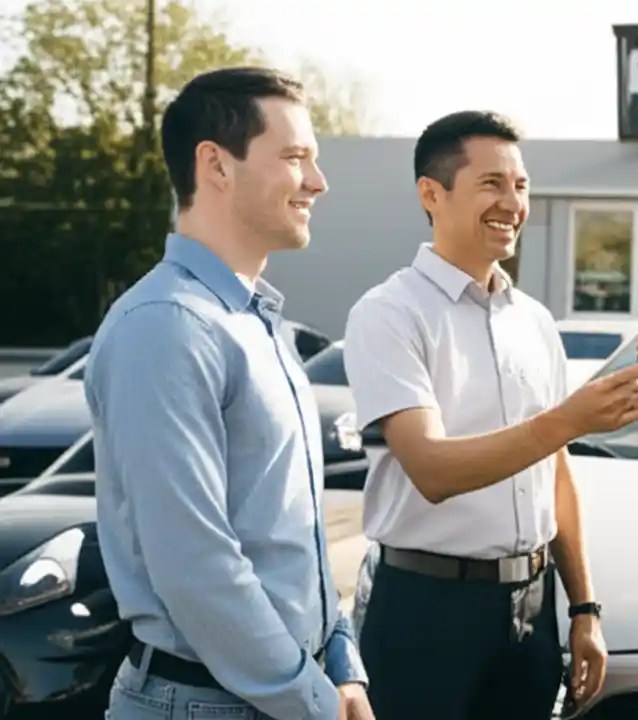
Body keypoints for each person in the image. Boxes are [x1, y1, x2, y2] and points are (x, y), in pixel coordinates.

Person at [342, 110, 638, 720]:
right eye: (492, 184)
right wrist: (569, 419)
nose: (512, 203)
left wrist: (584, 610)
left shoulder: (534, 321)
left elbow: (555, 472)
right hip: (424, 611)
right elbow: (431, 470)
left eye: (521, 186)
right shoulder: (389, 314)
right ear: (431, 195)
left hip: (532, 612)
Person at [84, 67, 372, 720]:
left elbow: (295, 538)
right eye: (296, 158)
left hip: (285, 693)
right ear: (215, 164)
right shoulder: (166, 326)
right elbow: (195, 568)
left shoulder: (252, 322)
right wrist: (314, 703)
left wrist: (340, 664)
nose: (318, 183)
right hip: (203, 703)